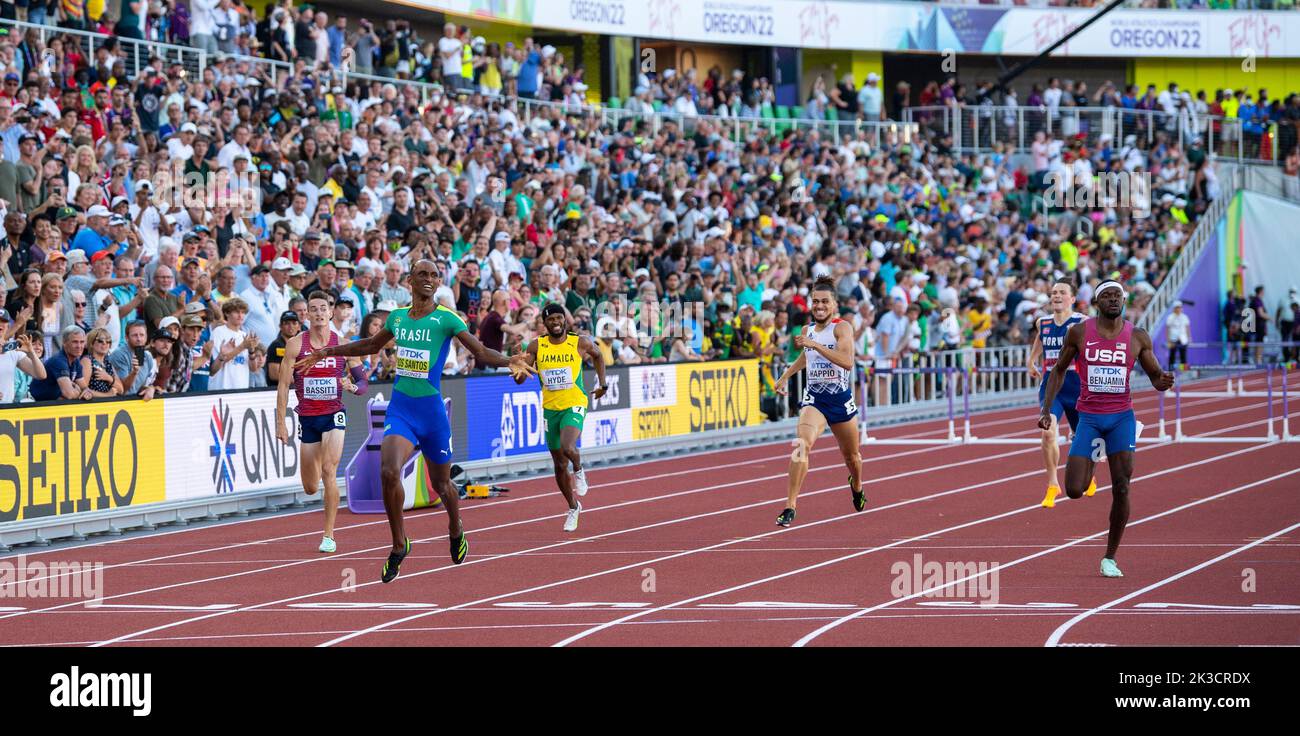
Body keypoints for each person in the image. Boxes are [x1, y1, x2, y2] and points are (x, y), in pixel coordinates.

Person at [295, 259, 534, 582]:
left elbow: (479, 352)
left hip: (432, 414)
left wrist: (509, 361)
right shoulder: (396, 318)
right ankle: (399, 543)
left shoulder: (446, 319)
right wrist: (327, 353)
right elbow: (369, 345)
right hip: (402, 410)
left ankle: (455, 525)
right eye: (423, 274)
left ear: (439, 283)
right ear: (410, 280)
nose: (430, 279)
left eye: (435, 275)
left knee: (442, 484)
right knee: (388, 470)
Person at [1040, 281, 1174, 578]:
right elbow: (1058, 369)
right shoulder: (1079, 332)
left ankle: (1110, 557)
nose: (1113, 299)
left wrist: (1163, 381)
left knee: (1122, 486)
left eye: (1118, 296)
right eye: (1107, 296)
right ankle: (1093, 456)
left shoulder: (1137, 337)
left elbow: (1154, 376)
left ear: (1123, 301)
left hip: (1121, 419)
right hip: (1089, 418)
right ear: (1096, 302)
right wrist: (1046, 409)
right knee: (1074, 490)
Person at [277, 291, 367, 554]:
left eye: (322, 308)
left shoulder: (345, 345)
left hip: (333, 414)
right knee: (310, 486)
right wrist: (280, 423)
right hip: (308, 418)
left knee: (329, 469)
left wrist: (351, 386)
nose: (318, 313)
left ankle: (328, 535)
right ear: (307, 314)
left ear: (331, 312)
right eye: (312, 309)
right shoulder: (296, 345)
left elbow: (363, 385)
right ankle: (318, 494)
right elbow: (283, 386)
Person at [772, 277, 865, 527]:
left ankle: (856, 485)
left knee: (852, 458)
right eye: (815, 302)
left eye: (825, 301)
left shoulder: (842, 328)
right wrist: (785, 376)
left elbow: (846, 361)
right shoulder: (806, 330)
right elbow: (807, 357)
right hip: (815, 399)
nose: (819, 306)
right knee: (801, 444)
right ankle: (790, 505)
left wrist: (815, 344)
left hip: (840, 400)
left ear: (834, 304)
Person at [512, 303, 608, 532]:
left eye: (559, 318)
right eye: (551, 320)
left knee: (568, 446)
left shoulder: (580, 341)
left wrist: (602, 383)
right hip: (550, 408)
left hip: (574, 403)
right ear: (544, 324)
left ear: (564, 320)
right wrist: (518, 367)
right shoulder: (537, 345)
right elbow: (520, 379)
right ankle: (573, 507)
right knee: (558, 463)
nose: (555, 322)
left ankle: (579, 469)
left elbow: (598, 355)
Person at [1027, 279, 1095, 509]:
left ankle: (1089, 473)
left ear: (1072, 299)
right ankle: (1053, 484)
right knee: (1048, 433)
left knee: (1081, 437)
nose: (1056, 296)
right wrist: (1031, 359)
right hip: (1051, 386)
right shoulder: (1042, 322)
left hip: (1077, 385)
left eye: (1062, 292)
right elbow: (1040, 337)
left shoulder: (1082, 322)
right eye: (1054, 292)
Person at [1166, 300, 1191, 367]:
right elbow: (1168, 329)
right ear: (1174, 308)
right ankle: (1171, 371)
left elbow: (1187, 328)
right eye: (1177, 307)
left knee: (1183, 355)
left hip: (1183, 339)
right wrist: (1168, 340)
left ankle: (1183, 370)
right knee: (1172, 355)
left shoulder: (1184, 317)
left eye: (1179, 307)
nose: (1178, 309)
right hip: (1173, 339)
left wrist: (1189, 338)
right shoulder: (1170, 317)